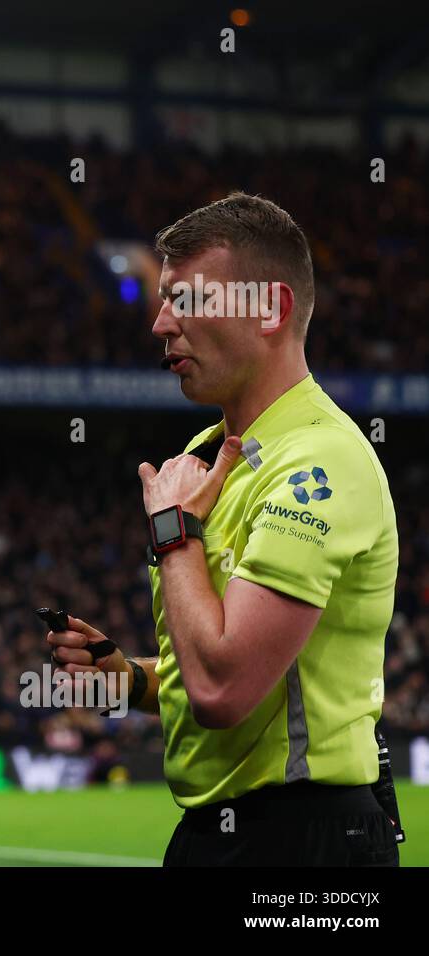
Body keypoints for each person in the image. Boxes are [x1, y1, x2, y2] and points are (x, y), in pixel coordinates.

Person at [48, 193, 400, 866]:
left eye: (187, 300)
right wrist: (126, 679)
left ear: (270, 309)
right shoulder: (215, 456)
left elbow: (223, 692)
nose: (160, 324)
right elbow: (204, 670)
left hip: (304, 838)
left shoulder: (318, 463)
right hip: (221, 833)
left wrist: (173, 532)